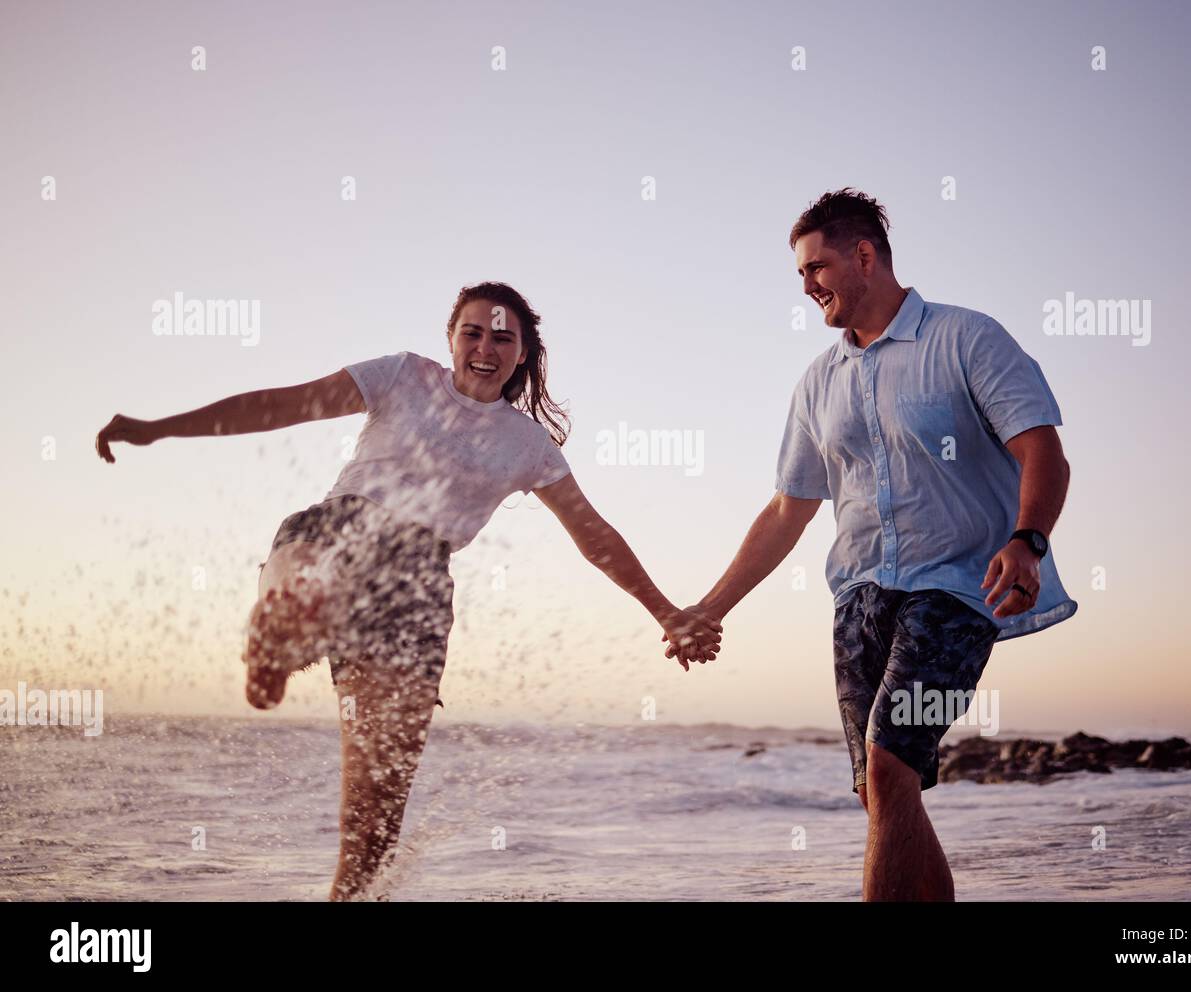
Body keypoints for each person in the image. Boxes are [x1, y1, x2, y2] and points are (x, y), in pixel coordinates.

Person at [96, 281, 721, 900]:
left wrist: (668, 612)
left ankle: (290, 647)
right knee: (311, 575)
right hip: (340, 528)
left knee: (372, 825)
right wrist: (161, 428)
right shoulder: (401, 376)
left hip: (416, 589)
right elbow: (281, 405)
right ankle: (282, 632)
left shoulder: (529, 444)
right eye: (472, 332)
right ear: (449, 339)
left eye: (503, 338)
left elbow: (594, 535)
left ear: (523, 353)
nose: (485, 347)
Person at [664, 189, 1076, 901]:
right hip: (858, 597)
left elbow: (1044, 452)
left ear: (864, 255)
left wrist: (1028, 540)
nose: (805, 286)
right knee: (882, 792)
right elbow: (787, 511)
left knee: (889, 767)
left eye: (815, 267)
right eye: (798, 274)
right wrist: (711, 606)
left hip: (956, 587)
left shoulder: (966, 338)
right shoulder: (817, 383)